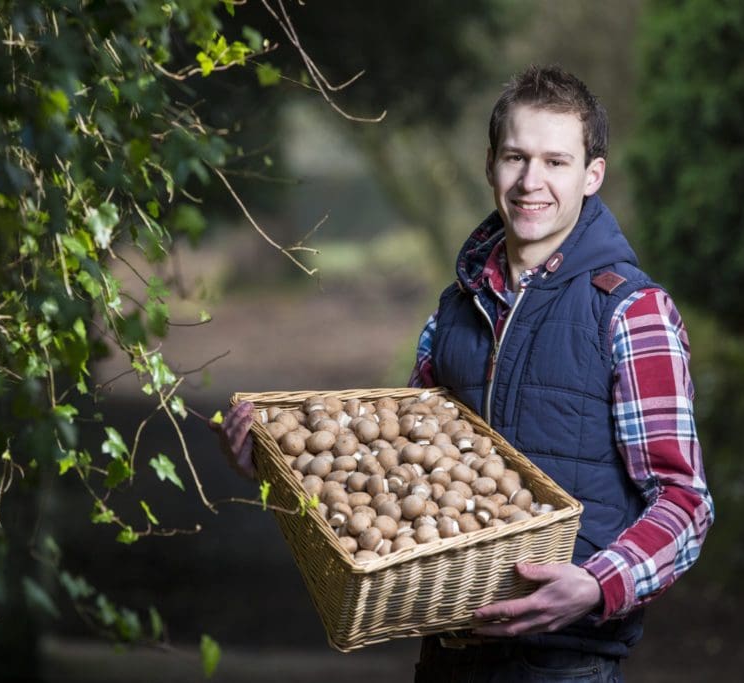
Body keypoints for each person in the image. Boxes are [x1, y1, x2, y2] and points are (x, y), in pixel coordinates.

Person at [218, 64, 713, 682]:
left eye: (556, 162)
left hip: (562, 666)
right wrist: (277, 465)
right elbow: (389, 471)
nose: (531, 181)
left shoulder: (631, 312)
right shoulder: (453, 312)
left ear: (593, 175)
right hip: (447, 659)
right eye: (516, 157)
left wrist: (595, 584)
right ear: (490, 165)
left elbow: (684, 502)